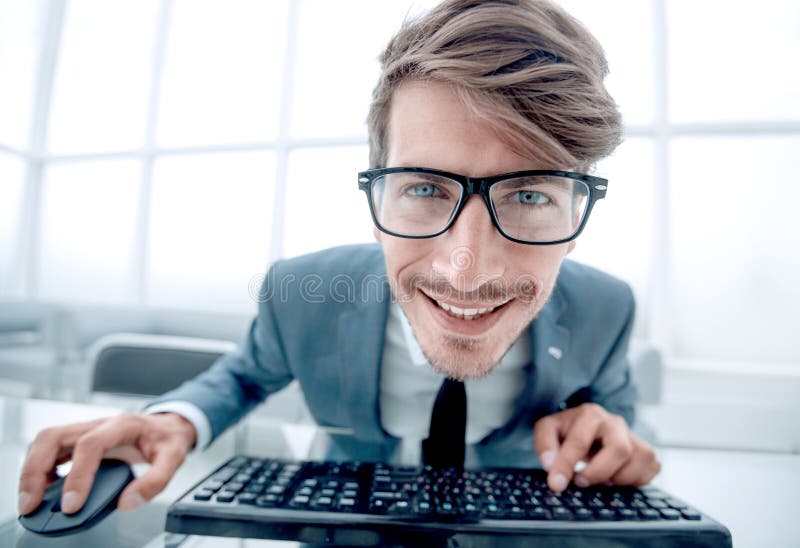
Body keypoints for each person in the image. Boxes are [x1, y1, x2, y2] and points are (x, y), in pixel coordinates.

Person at [18, 0, 660, 518]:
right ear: (375, 194)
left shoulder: (607, 306)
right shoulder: (299, 291)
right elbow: (241, 378)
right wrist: (174, 423)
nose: (467, 268)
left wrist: (613, 435)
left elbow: (614, 410)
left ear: (577, 218)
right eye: (425, 188)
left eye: (527, 194)